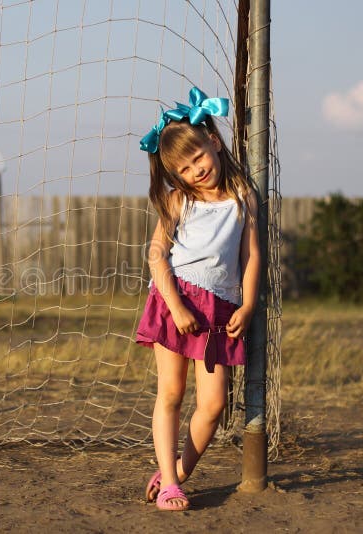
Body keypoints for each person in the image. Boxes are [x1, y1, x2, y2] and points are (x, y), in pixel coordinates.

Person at [136, 87, 260, 511]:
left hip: (221, 311)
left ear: (214, 142)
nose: (196, 171)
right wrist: (174, 305)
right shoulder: (178, 201)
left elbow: (251, 256)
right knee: (171, 392)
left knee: (214, 403)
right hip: (176, 301)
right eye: (185, 169)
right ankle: (170, 486)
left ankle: (177, 471)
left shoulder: (243, 198)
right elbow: (156, 256)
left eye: (198, 158)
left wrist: (246, 305)